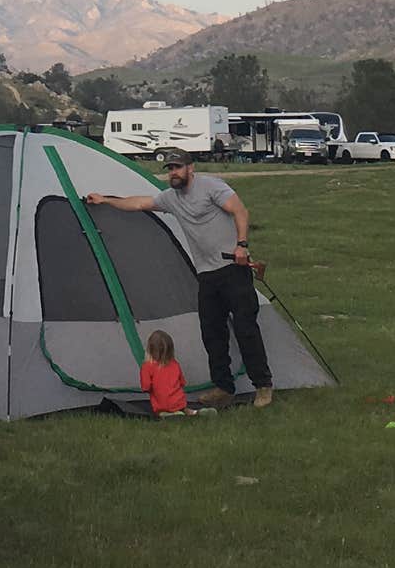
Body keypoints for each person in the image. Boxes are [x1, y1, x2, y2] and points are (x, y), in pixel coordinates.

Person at [83, 149, 274, 409]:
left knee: (245, 329)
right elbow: (139, 203)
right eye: (170, 169)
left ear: (190, 168)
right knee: (212, 333)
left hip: (233, 269)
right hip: (206, 275)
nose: (173, 172)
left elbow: (240, 211)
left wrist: (241, 245)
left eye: (177, 167)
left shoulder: (211, 187)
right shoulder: (171, 198)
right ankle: (223, 387)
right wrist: (105, 199)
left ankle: (263, 386)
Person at [140, 328, 189, 416]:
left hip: (161, 403)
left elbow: (146, 387)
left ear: (150, 349)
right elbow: (182, 382)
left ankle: (166, 414)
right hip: (179, 402)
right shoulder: (175, 364)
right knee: (181, 405)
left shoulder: (147, 366)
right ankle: (193, 412)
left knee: (161, 410)